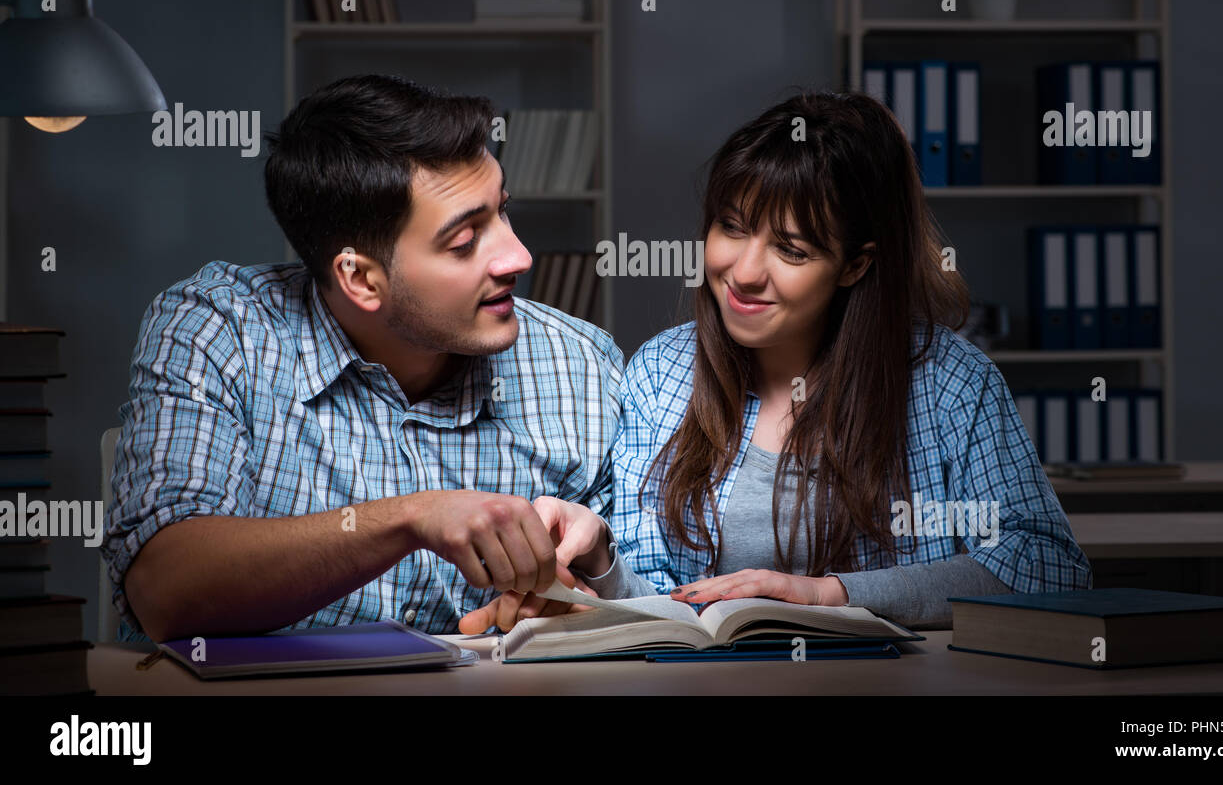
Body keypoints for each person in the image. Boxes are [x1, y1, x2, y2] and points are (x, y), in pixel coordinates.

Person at [460, 89, 1091, 636]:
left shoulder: (951, 382)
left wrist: (828, 597)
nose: (743, 273)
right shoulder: (661, 373)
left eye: (790, 249)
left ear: (855, 264)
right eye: (732, 228)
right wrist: (598, 554)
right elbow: (652, 601)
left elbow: (1048, 565)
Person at [103, 74, 620, 642]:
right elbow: (165, 589)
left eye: (503, 211)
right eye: (465, 241)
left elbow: (645, 605)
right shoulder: (219, 332)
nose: (518, 256)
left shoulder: (583, 365)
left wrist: (576, 608)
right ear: (361, 280)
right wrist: (412, 518)